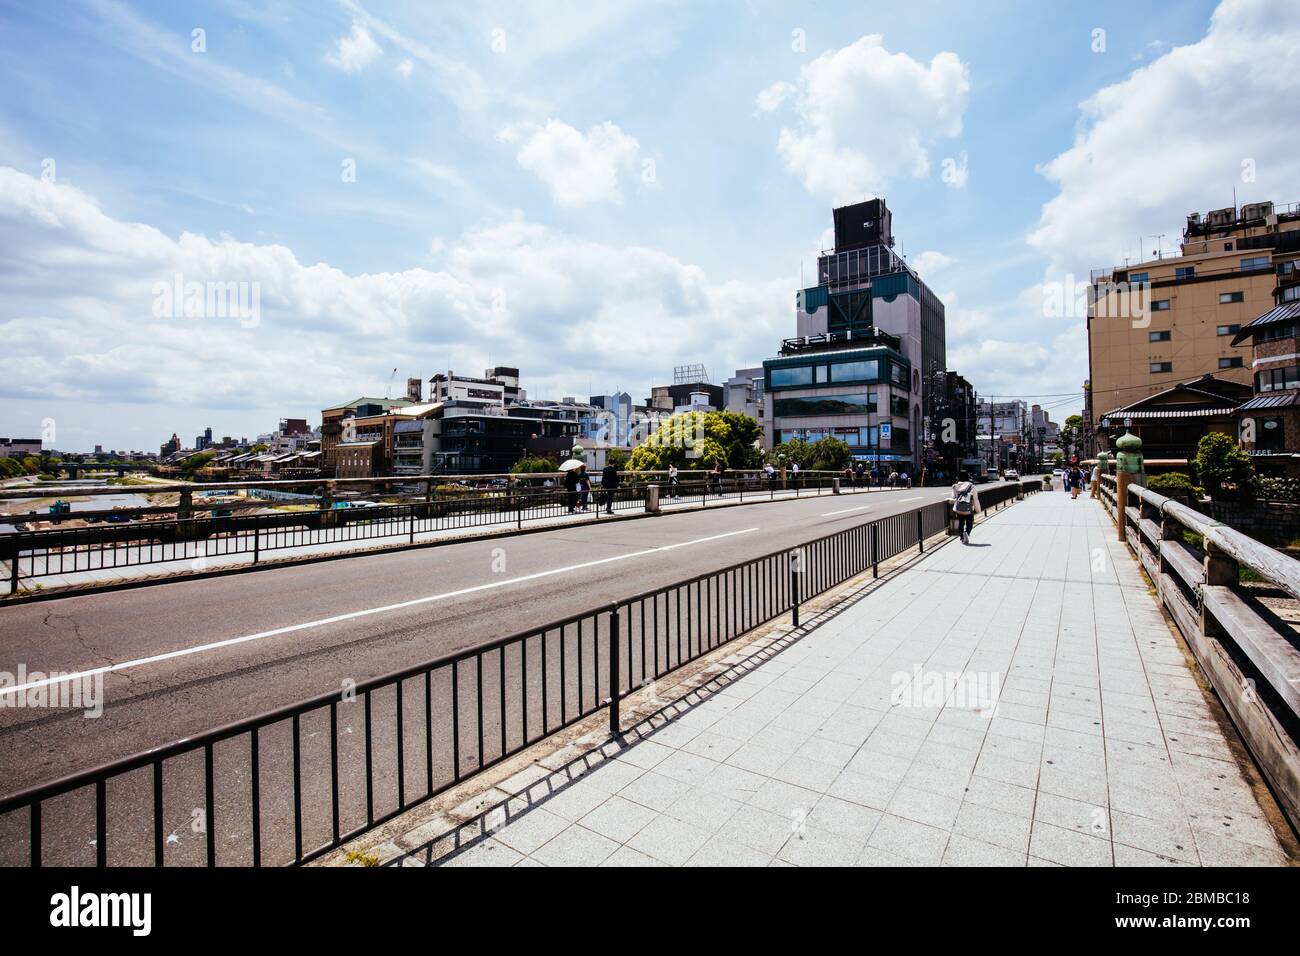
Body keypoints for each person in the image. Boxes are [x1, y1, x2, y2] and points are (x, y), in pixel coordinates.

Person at [952, 471, 979, 545]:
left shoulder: (955, 486)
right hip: (968, 509)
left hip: (959, 508)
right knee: (969, 523)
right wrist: (977, 509)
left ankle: (962, 538)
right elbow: (975, 498)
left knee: (961, 523)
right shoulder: (971, 486)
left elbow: (953, 497)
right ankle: (966, 533)